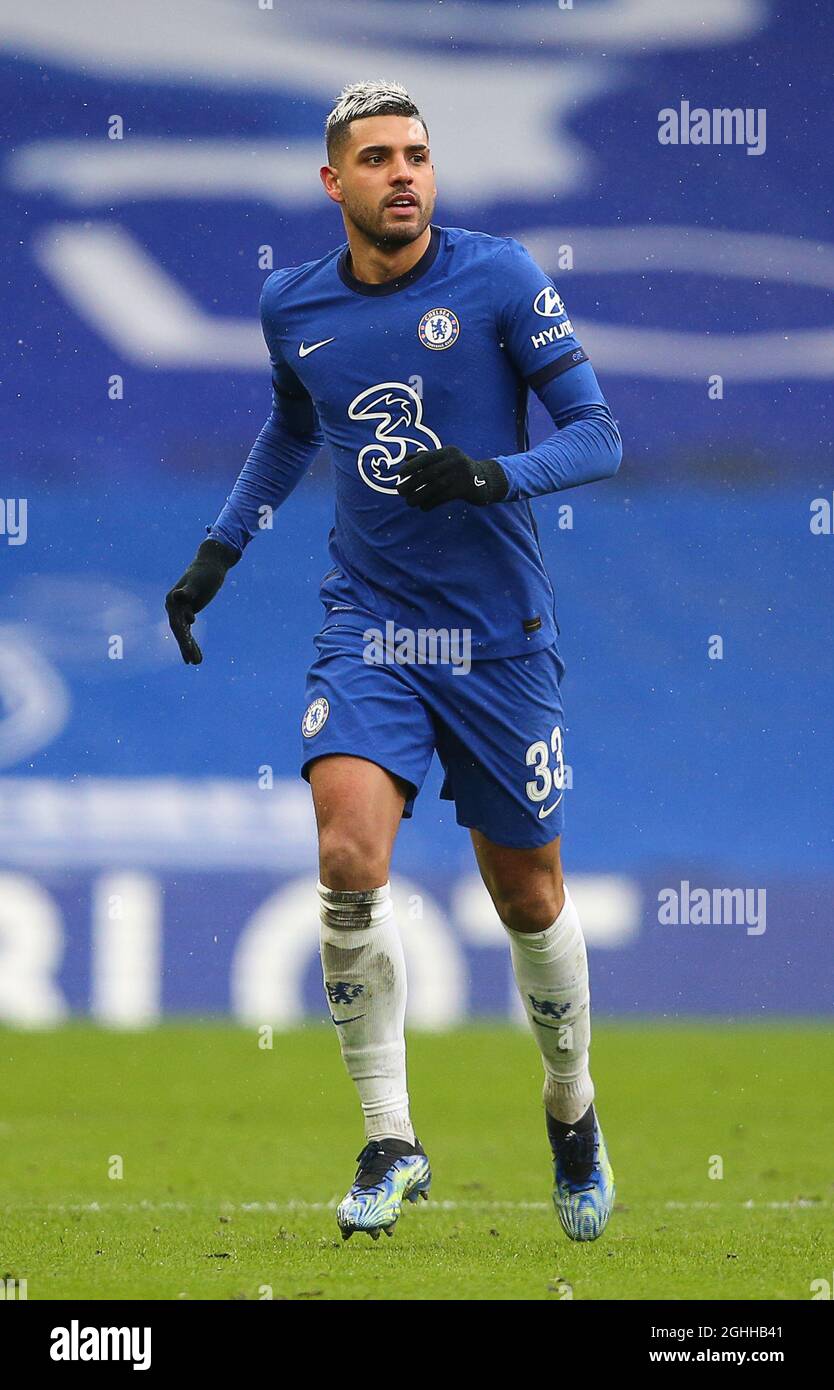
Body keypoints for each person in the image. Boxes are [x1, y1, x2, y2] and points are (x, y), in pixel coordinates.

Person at [166, 79, 622, 1243]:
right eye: (376, 158)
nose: (404, 173)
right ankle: (390, 1140)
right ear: (335, 182)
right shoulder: (293, 304)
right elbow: (291, 425)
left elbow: (600, 434)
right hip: (369, 625)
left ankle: (571, 1110)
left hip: (497, 640)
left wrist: (491, 473)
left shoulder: (503, 278)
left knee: (527, 895)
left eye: (418, 153)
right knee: (348, 852)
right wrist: (220, 550)